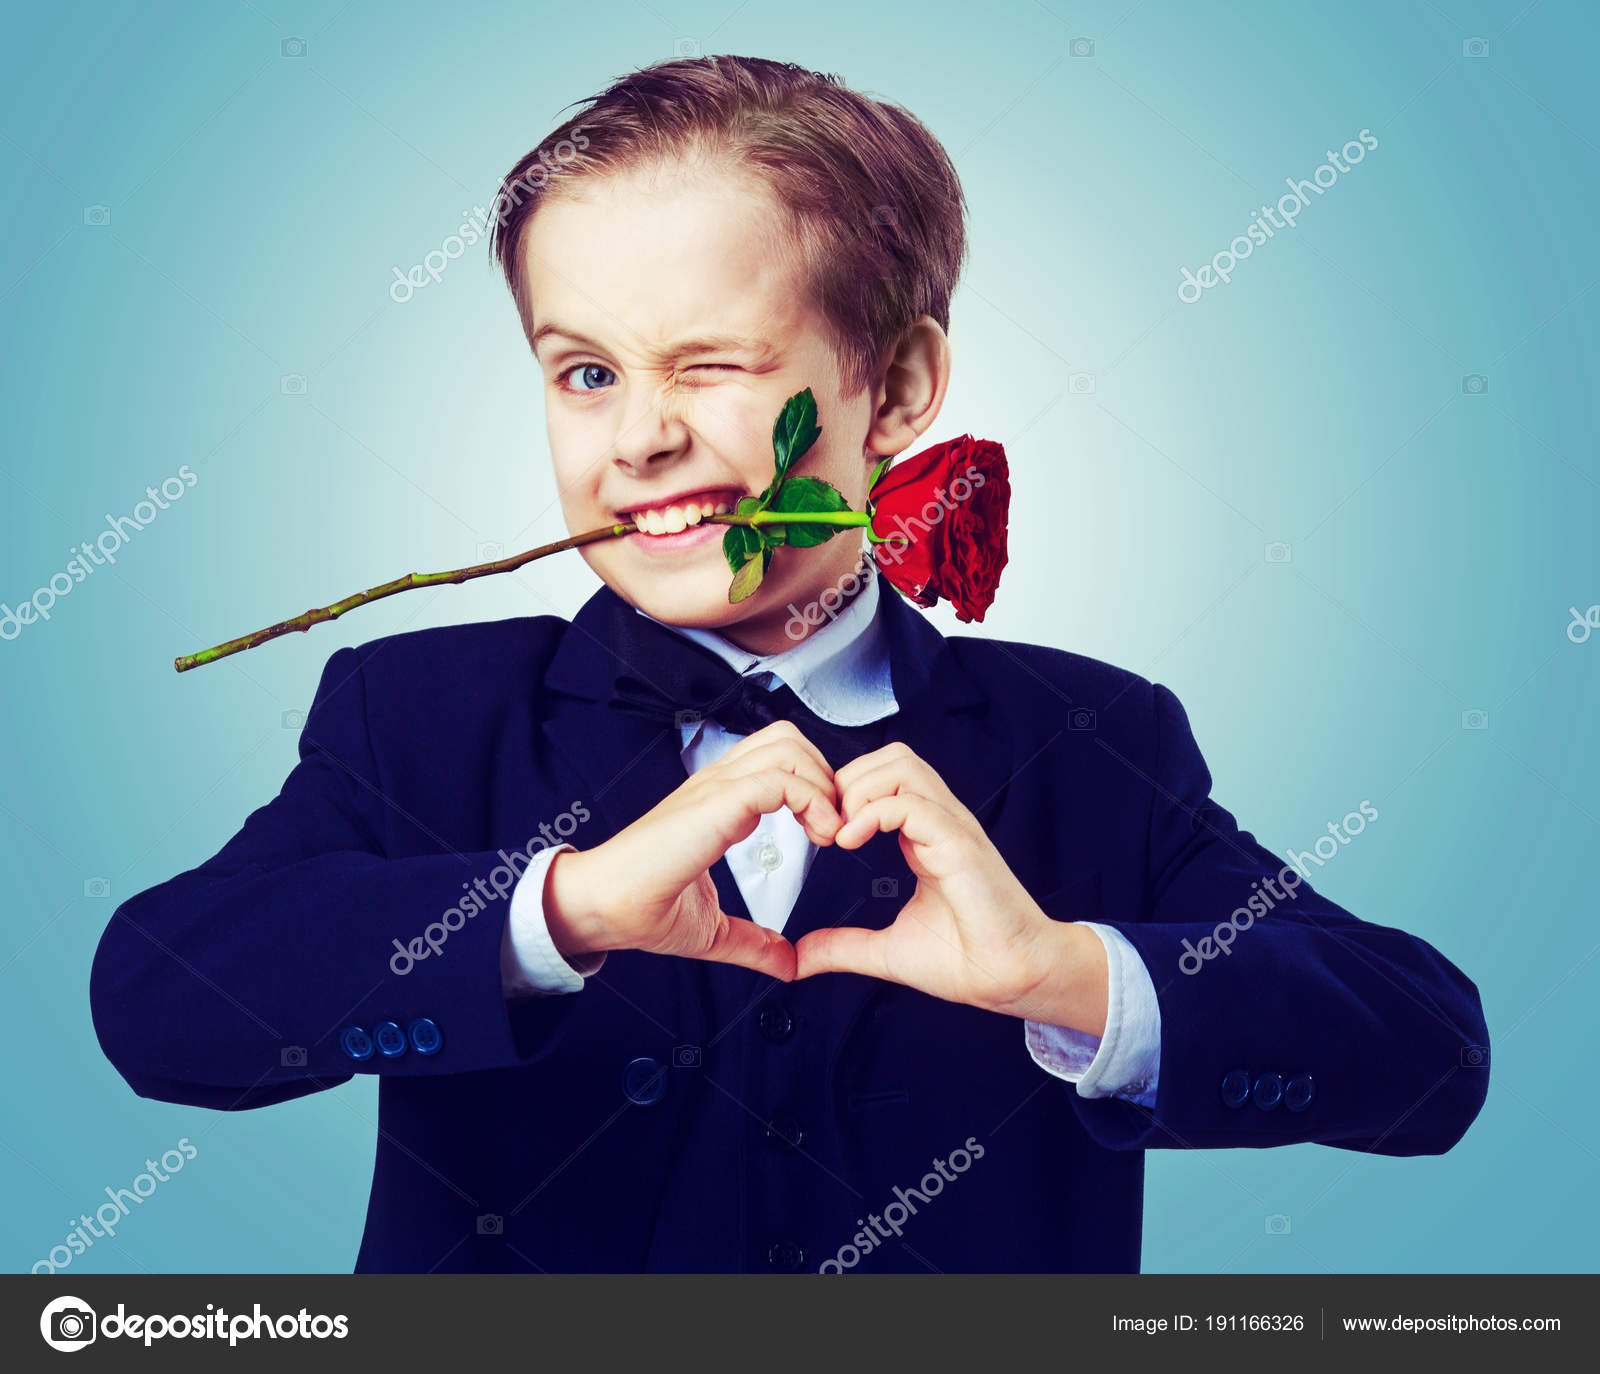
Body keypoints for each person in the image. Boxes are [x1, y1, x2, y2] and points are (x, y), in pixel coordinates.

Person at [90, 55, 1489, 1273]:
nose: (635, 440)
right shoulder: (420, 716)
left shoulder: (1089, 740)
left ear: (898, 386)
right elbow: (159, 997)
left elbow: (1430, 1056)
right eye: (585, 372)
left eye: (710, 366)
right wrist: (552, 911)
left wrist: (1071, 973)